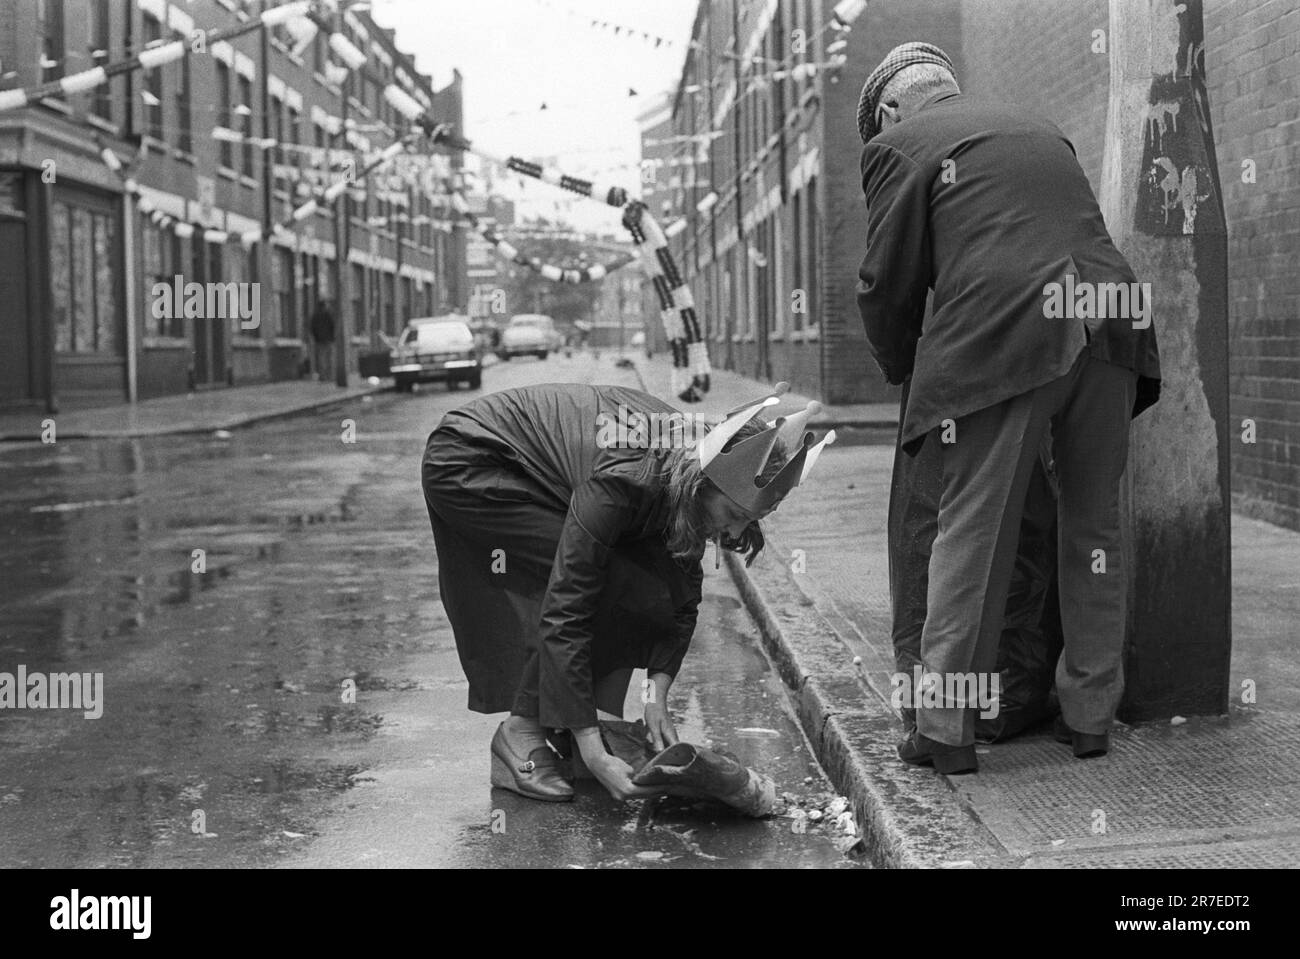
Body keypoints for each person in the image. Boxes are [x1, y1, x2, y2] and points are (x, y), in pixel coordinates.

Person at [854, 44, 1161, 774]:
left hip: (1009, 335)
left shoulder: (897, 145)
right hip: (1111, 318)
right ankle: (1090, 716)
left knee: (971, 531)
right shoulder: (1038, 125)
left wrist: (903, 368)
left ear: (890, 110)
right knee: (1095, 526)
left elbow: (885, 285)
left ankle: (945, 729)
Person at [420, 382, 835, 802]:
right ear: (701, 485)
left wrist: (657, 693)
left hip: (519, 462)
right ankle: (521, 731)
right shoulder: (625, 482)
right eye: (733, 515)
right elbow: (569, 608)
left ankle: (593, 723)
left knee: (643, 582)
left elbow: (682, 591)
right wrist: (595, 754)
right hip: (472, 459)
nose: (733, 532)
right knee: (602, 580)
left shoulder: (691, 469)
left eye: (748, 522)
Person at [309, 298, 336, 382]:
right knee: (329, 359)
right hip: (328, 340)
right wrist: (332, 337)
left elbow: (312, 328)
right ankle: (330, 376)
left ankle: (323, 376)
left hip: (319, 340)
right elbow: (332, 326)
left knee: (321, 359)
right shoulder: (328, 315)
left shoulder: (315, 316)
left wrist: (316, 337)